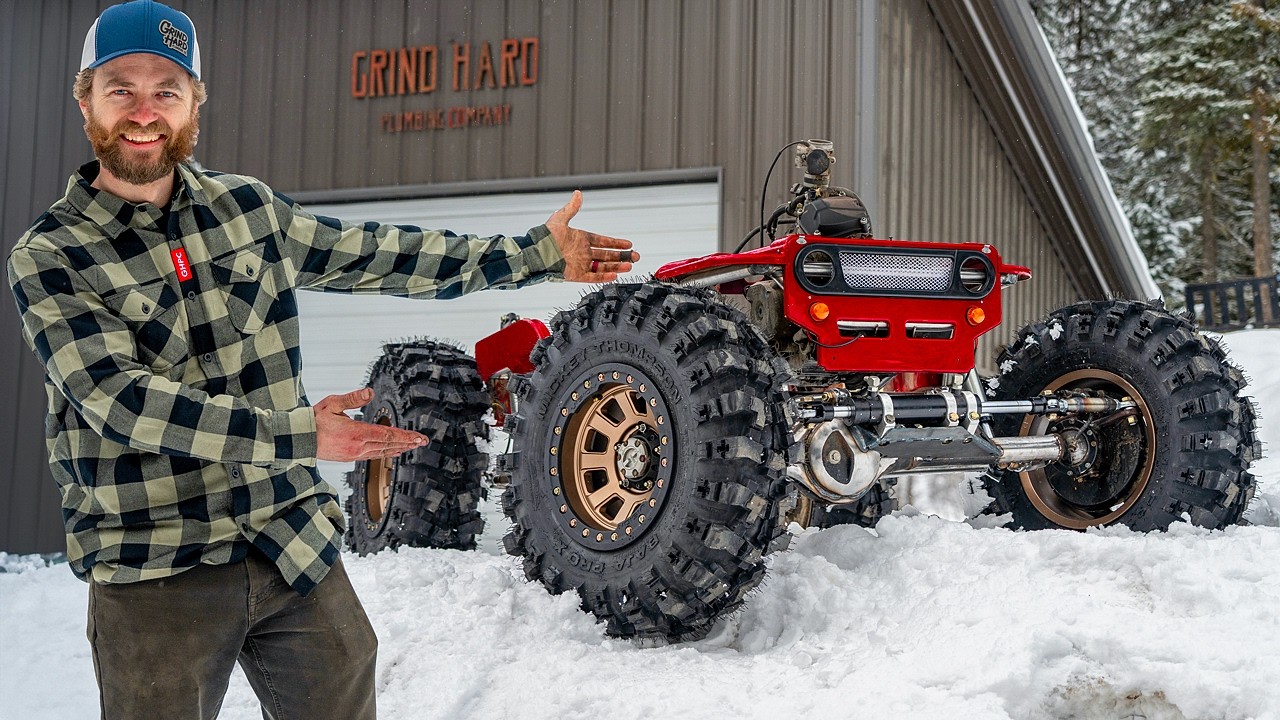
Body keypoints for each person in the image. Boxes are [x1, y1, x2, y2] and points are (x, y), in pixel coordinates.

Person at [6, 1, 638, 718]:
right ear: (85, 98)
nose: (144, 111)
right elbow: (120, 400)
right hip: (157, 565)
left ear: (194, 104)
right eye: (121, 87)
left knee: (345, 677)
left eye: (167, 90)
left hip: (286, 538)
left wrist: (531, 255)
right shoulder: (52, 254)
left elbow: (381, 255)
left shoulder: (249, 211)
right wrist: (302, 436)